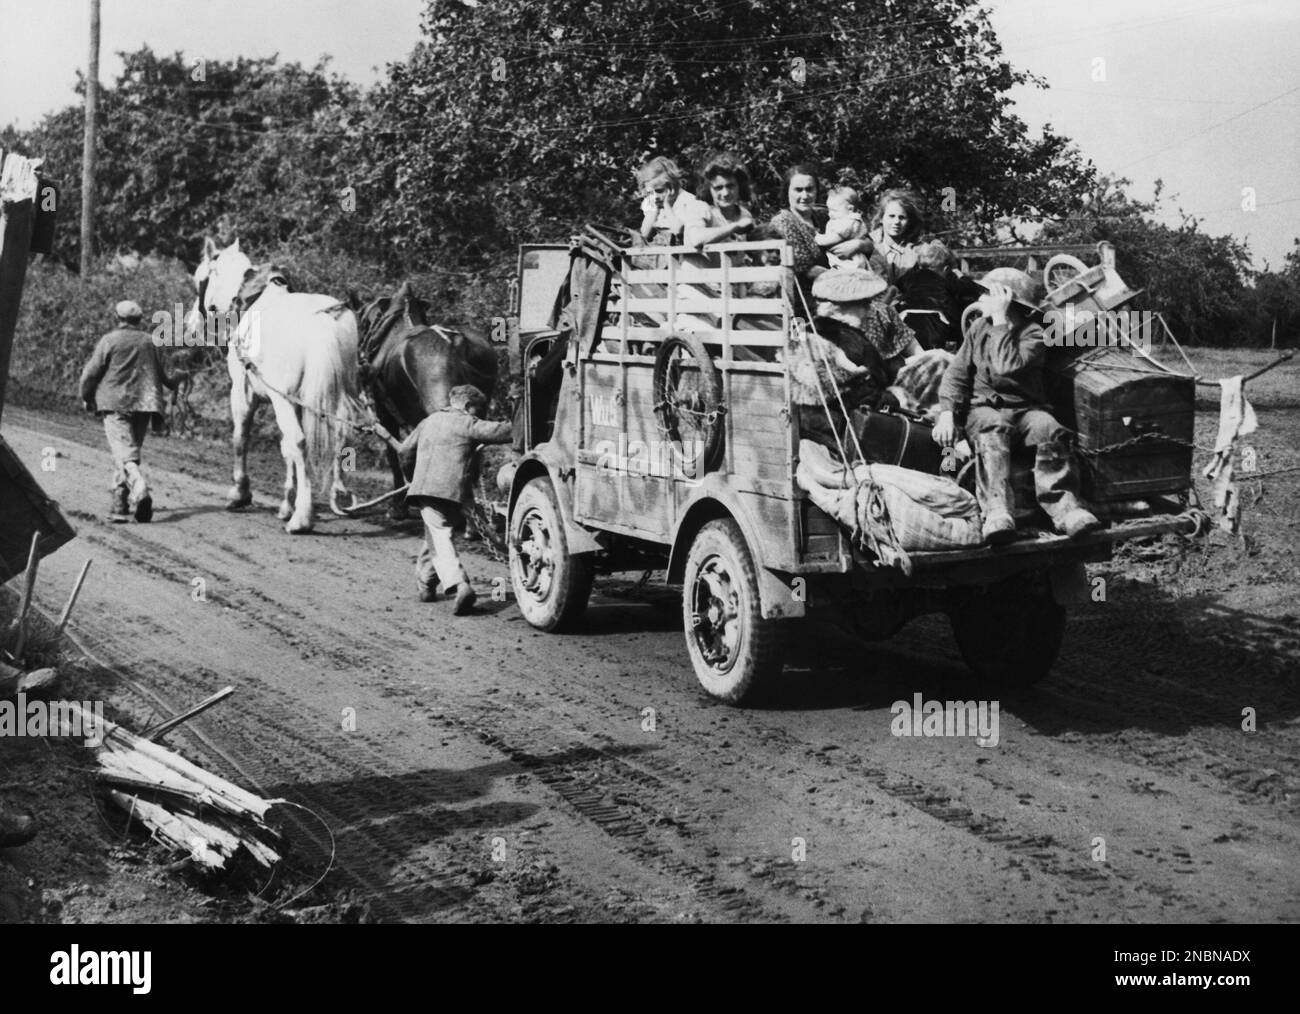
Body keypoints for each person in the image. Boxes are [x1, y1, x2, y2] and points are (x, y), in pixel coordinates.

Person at [933, 267, 1102, 542]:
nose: (982, 299)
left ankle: (1066, 508)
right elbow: (956, 375)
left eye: (989, 294)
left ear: (1006, 300)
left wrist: (1000, 320)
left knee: (1049, 428)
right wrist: (947, 413)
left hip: (1025, 410)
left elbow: (1006, 366)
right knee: (993, 424)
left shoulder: (1033, 333)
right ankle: (997, 510)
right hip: (984, 411)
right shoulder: (978, 329)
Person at [398, 385, 513, 615]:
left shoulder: (428, 421)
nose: (478, 414)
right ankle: (446, 583)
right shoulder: (468, 423)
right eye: (477, 409)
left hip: (426, 490)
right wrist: (522, 414)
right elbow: (502, 431)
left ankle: (440, 583)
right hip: (454, 492)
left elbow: (404, 451)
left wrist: (414, 476)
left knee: (438, 535)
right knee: (440, 535)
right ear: (468, 406)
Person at [79, 300, 189, 523]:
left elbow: (90, 375)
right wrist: (178, 378)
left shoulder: (109, 340)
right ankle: (119, 503)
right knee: (127, 454)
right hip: (144, 406)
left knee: (125, 455)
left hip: (115, 404)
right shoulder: (150, 342)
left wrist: (86, 397)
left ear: (116, 318)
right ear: (140, 320)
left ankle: (140, 490)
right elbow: (164, 378)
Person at [767, 166, 871, 310]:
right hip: (810, 298)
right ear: (787, 192)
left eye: (809, 189)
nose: (805, 195)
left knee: (882, 311)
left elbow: (866, 238)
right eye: (798, 190)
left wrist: (859, 245)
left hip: (846, 287)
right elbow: (806, 270)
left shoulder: (826, 215)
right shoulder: (783, 222)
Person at [681, 152, 755, 249]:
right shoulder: (700, 208)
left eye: (730, 186)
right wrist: (734, 227)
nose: (725, 193)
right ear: (708, 189)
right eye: (718, 188)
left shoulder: (744, 214)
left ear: (739, 186)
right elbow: (696, 239)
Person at [637, 156, 710, 245]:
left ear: (672, 187)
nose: (655, 196)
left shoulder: (688, 202)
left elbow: (678, 230)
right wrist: (654, 209)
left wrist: (667, 206)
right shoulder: (655, 203)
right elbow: (644, 233)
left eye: (659, 190)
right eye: (650, 193)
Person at [868, 188, 926, 287]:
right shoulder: (868, 245)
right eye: (891, 216)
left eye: (902, 217)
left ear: (909, 221)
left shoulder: (917, 250)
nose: (896, 222)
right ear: (881, 218)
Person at [816, 187, 872, 269]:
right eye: (829, 210)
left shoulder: (848, 222)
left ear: (850, 209)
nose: (830, 214)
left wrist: (818, 239)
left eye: (834, 210)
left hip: (850, 261)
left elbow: (834, 238)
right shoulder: (845, 218)